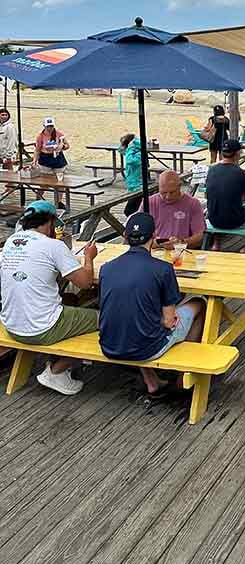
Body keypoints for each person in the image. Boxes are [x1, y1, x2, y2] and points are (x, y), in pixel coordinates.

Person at [98, 212, 205, 396]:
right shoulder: (163, 268)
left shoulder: (106, 268)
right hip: (147, 349)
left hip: (109, 345)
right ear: (154, 236)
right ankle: (184, 373)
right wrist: (169, 318)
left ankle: (152, 381)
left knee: (137, 315)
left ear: (125, 236)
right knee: (199, 303)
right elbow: (168, 322)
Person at [0, 201, 98, 395]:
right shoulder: (53, 245)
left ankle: (60, 361)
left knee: (70, 299)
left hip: (11, 324)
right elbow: (86, 283)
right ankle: (56, 371)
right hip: (42, 328)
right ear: (50, 222)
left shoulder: (11, 242)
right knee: (105, 320)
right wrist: (89, 257)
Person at [206, 139, 245, 249]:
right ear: (237, 153)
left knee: (222, 208)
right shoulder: (241, 173)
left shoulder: (211, 170)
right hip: (236, 220)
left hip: (213, 219)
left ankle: (216, 244)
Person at [147, 170, 205, 249]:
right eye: (163, 193)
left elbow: (199, 237)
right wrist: (152, 243)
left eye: (172, 192)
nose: (168, 196)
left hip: (181, 251)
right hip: (155, 251)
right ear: (158, 187)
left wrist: (181, 243)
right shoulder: (149, 202)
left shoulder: (193, 204)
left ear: (180, 186)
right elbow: (137, 233)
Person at [118, 133, 143, 216]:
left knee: (129, 211)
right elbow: (120, 150)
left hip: (138, 186)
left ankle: (137, 222)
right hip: (132, 186)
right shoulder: (131, 152)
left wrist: (131, 147)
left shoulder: (138, 153)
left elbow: (130, 161)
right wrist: (129, 144)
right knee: (134, 211)